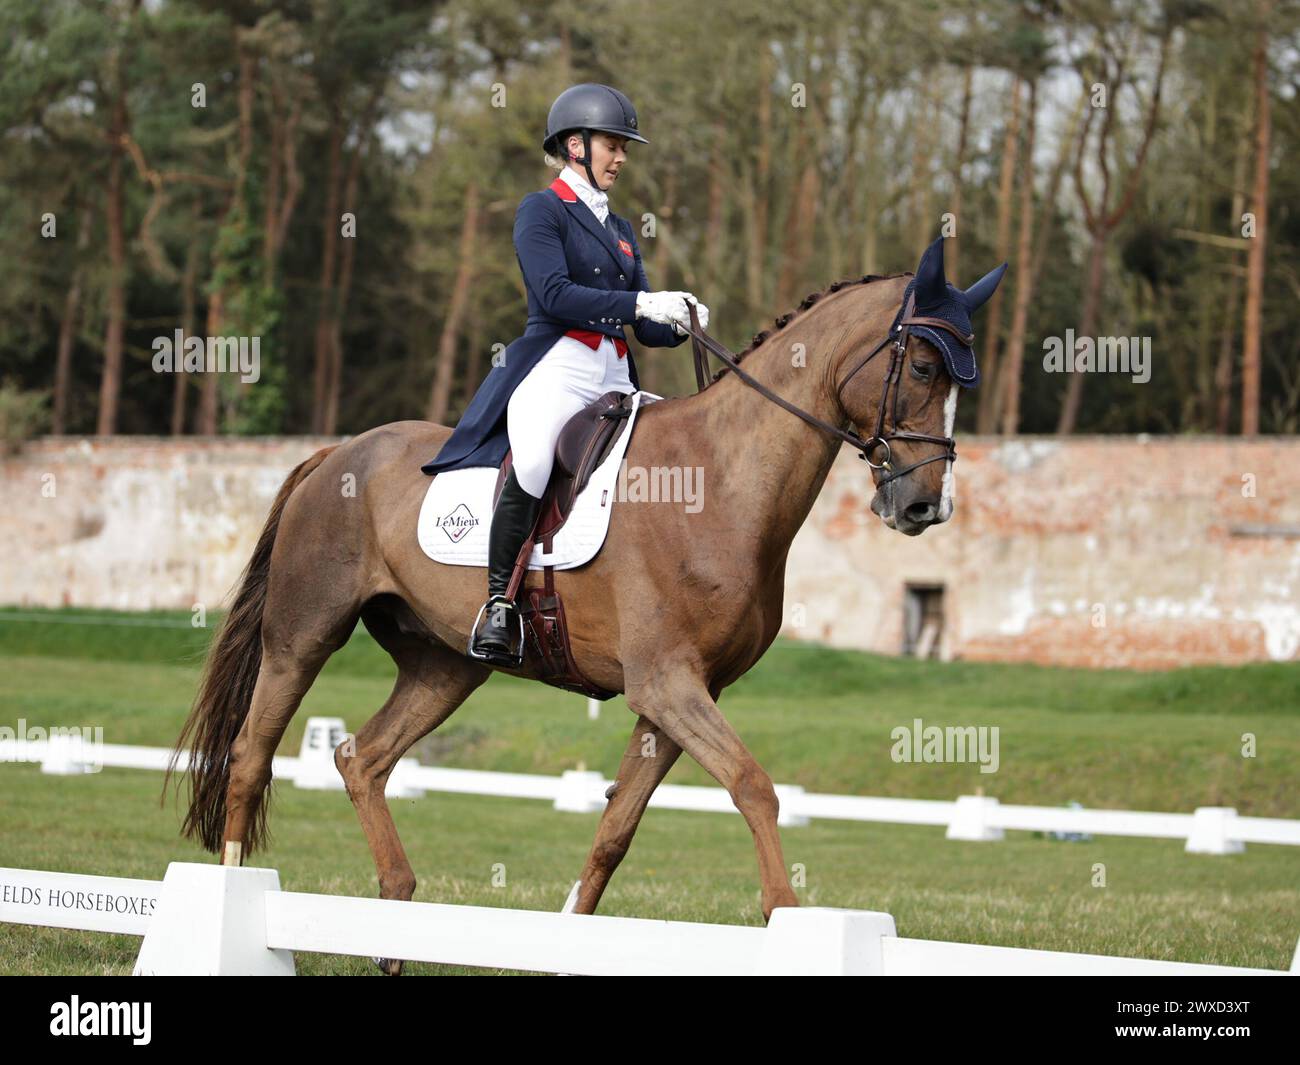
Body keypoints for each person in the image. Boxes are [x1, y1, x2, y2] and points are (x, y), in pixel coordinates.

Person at [421, 83, 710, 666]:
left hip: (614, 373)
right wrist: (637, 307)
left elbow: (647, 328)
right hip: (559, 365)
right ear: (576, 145)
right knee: (531, 461)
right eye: (613, 144)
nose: (622, 157)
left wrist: (679, 319)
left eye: (624, 147)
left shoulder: (623, 229)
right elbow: (553, 295)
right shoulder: (542, 210)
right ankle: (498, 604)